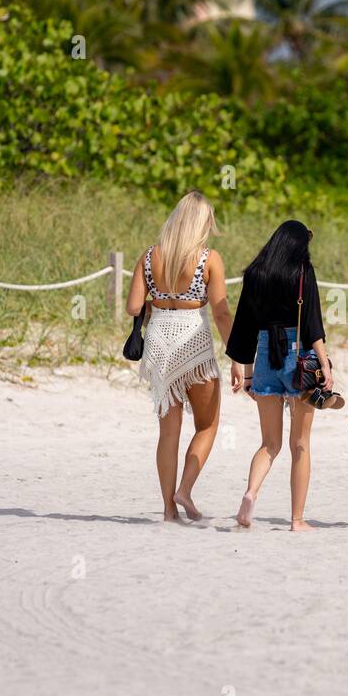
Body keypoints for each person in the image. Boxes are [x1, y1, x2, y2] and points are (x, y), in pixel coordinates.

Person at [127, 190, 233, 523]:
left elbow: (132, 307)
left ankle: (169, 510)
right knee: (208, 424)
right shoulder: (208, 258)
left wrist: (153, 301)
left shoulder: (148, 257)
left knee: (167, 432)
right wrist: (238, 356)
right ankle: (185, 489)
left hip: (159, 342)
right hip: (194, 343)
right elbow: (221, 314)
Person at [226, 221, 332, 532]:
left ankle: (250, 492)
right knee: (300, 444)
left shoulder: (255, 274)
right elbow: (312, 322)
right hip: (297, 358)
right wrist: (324, 364)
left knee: (269, 443)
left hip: (264, 357)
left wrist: (247, 376)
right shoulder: (302, 271)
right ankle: (297, 520)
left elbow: (243, 326)